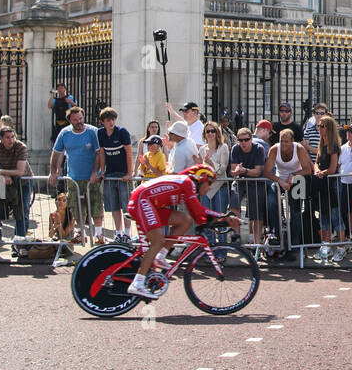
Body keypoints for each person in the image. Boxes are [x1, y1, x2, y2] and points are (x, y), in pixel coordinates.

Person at [123, 165, 238, 299]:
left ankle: (161, 255)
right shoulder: (187, 183)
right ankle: (137, 282)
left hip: (147, 202)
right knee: (158, 240)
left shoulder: (188, 186)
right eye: (209, 183)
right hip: (141, 200)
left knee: (185, 220)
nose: (210, 187)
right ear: (201, 179)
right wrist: (225, 218)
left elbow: (197, 217)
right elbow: (200, 211)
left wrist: (219, 220)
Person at [48, 106, 99, 243]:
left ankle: (99, 234)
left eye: (81, 118)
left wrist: (96, 172)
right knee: (76, 206)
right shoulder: (64, 133)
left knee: (96, 205)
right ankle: (80, 232)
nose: (79, 122)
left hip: (93, 177)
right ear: (70, 120)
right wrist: (53, 171)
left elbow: (100, 154)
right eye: (75, 120)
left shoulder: (93, 132)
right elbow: (56, 152)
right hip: (73, 176)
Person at [268, 127, 313, 248]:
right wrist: (280, 181)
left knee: (296, 211)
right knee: (271, 203)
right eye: (281, 141)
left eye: (286, 141)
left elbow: (308, 169)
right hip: (280, 180)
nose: (283, 144)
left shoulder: (299, 149)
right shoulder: (274, 149)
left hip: (297, 180)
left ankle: (294, 242)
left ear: (292, 140)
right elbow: (267, 172)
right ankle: (278, 235)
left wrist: (293, 175)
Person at [0, 125, 31, 245]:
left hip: (23, 182)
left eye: (13, 137)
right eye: (7, 137)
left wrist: (1, 171)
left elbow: (20, 171)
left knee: (22, 211)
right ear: (1, 138)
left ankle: (19, 241)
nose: (11, 140)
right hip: (4, 181)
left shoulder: (21, 147)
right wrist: (2, 176)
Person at [97, 108, 135, 241]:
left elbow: (129, 152)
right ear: (103, 122)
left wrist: (129, 173)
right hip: (110, 174)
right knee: (114, 206)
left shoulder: (122, 132)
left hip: (123, 174)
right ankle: (118, 233)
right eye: (108, 120)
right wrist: (102, 171)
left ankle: (127, 233)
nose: (111, 122)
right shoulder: (100, 133)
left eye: (113, 119)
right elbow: (102, 153)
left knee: (126, 205)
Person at [228, 127, 269, 246]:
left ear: (251, 139)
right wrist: (237, 171)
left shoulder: (258, 149)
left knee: (256, 213)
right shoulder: (235, 149)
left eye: (246, 140)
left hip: (256, 182)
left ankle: (256, 242)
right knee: (233, 203)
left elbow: (257, 171)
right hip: (241, 181)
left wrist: (243, 170)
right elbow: (233, 170)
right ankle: (236, 235)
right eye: (240, 140)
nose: (243, 143)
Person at [312, 115, 345, 261]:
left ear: (329, 128)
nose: (319, 129)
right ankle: (325, 246)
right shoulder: (322, 144)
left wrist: (321, 172)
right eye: (319, 126)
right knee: (324, 217)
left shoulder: (334, 146)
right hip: (322, 184)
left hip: (332, 184)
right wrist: (317, 170)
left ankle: (341, 247)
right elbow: (316, 162)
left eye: (322, 126)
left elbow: (332, 168)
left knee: (336, 216)